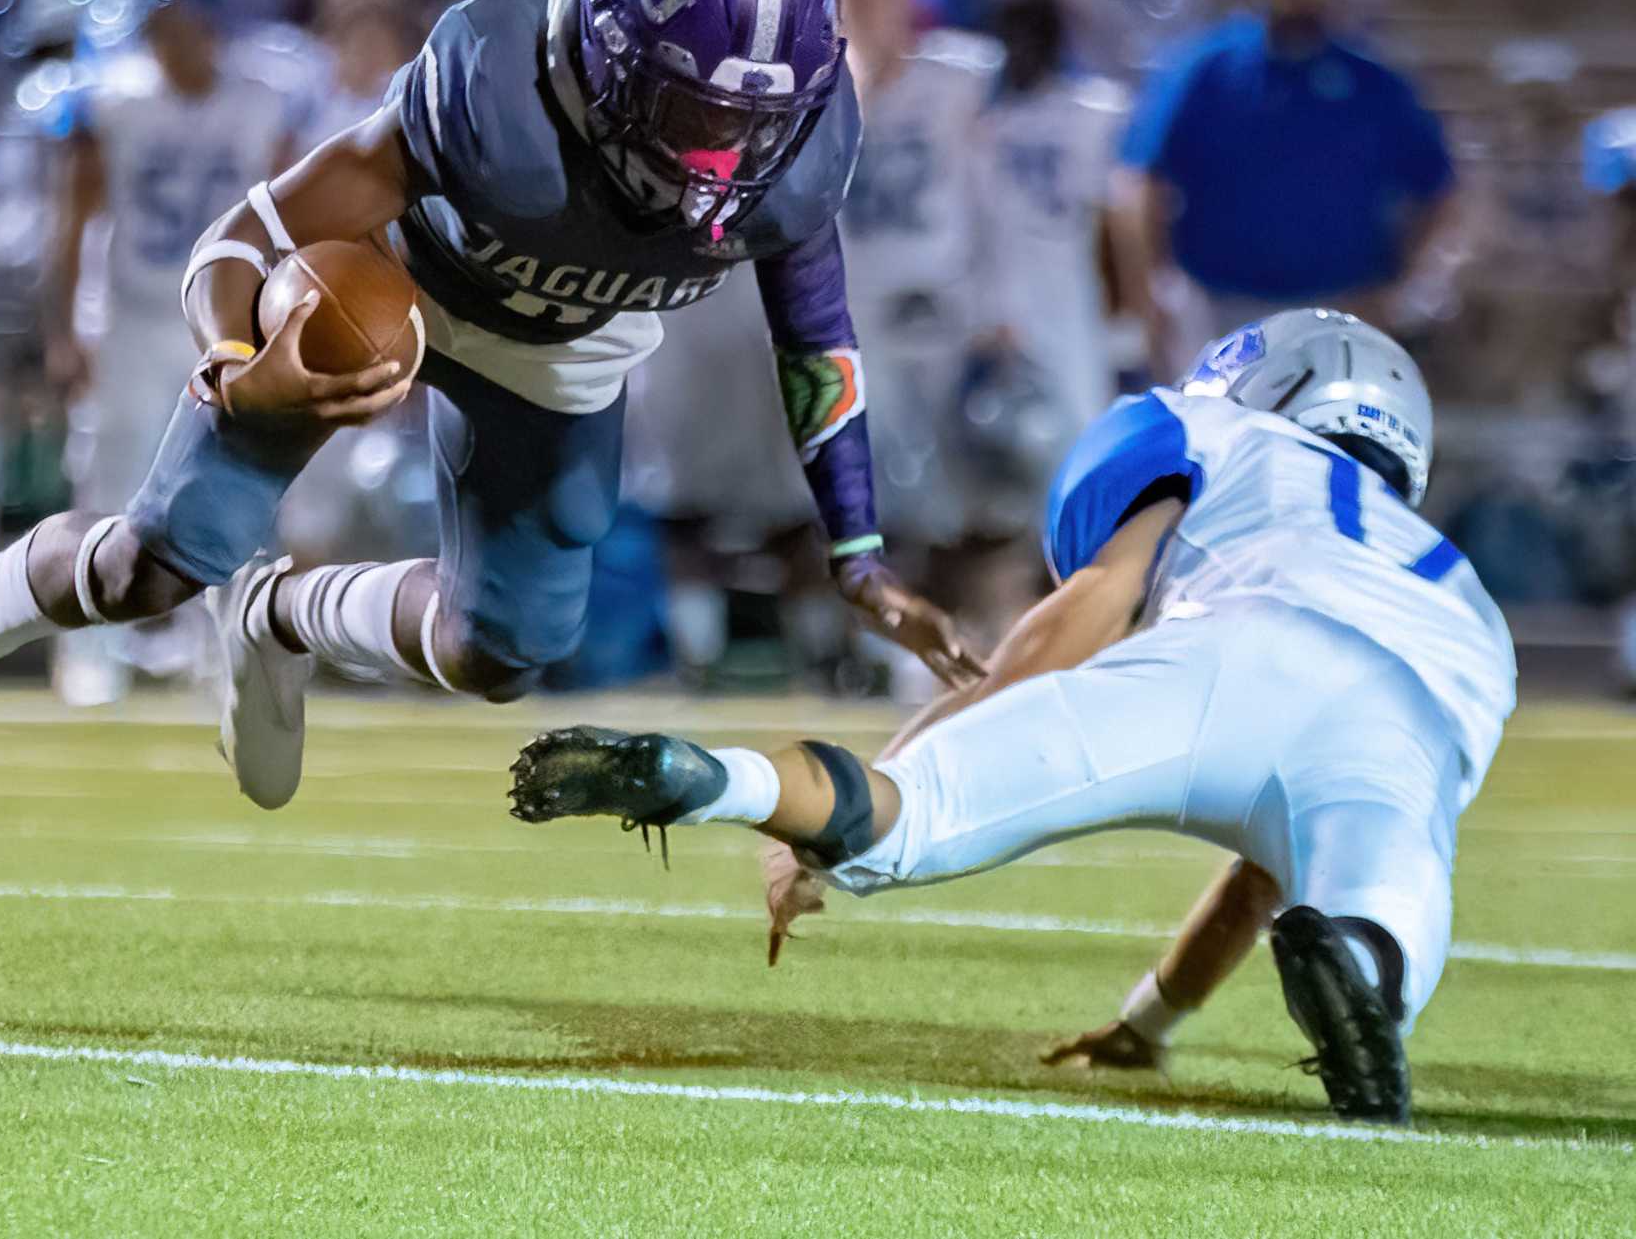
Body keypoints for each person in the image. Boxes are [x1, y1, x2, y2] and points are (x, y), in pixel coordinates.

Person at [0, 0, 976, 838]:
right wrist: (234, 359)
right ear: (604, 44)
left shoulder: (805, 148)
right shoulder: (494, 88)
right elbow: (247, 232)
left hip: (561, 351)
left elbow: (815, 337)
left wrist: (859, 550)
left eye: (751, 123)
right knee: (155, 564)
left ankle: (283, 614)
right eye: (690, 112)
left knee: (504, 650)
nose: (719, 161)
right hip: (389, 288)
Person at [508, 309, 1517, 1124]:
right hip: (1408, 712)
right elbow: (1262, 875)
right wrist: (1150, 1023)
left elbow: (1090, 605)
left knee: (907, 819)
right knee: (1370, 906)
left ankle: (721, 782)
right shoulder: (1462, 593)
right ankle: (1368, 974)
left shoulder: (1221, 432)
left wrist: (908, 756)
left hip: (1232, 643)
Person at [46, 0, 311, 707]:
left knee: (228, 489)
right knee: (109, 483)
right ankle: (92, 648)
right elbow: (72, 220)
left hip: (227, 324)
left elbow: (296, 224)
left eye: (185, 27)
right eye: (161, 30)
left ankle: (217, 648)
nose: (173, 45)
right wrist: (64, 327)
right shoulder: (116, 102)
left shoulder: (263, 105)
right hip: (132, 315)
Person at [1111, 0, 1457, 375]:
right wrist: (1148, 295)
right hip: (1220, 308)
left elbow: (1437, 188)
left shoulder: (1373, 82)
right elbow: (1139, 183)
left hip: (1338, 311)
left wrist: (1401, 285)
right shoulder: (1207, 69)